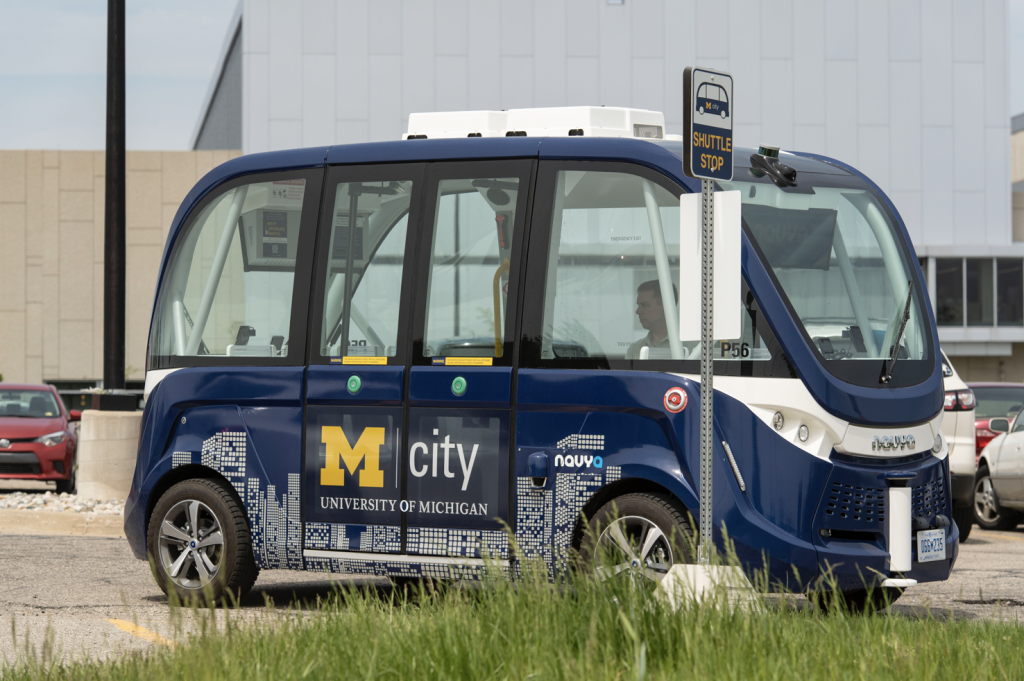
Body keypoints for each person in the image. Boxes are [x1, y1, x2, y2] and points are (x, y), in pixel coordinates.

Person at [626, 280, 678, 360]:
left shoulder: (695, 349)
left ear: (665, 306)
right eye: (639, 305)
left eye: (645, 305)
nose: (638, 311)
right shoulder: (635, 350)